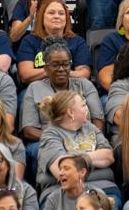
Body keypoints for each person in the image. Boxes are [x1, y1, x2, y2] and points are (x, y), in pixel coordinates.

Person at [20, 39, 103, 176]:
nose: (61, 69)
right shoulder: (34, 88)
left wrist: (90, 139)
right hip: (48, 140)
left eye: (65, 64)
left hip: (85, 138)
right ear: (46, 68)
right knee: (36, 149)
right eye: (55, 65)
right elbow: (28, 131)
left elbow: (98, 120)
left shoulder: (84, 85)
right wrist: (61, 139)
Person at [37, 92, 120, 205]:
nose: (86, 109)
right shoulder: (50, 135)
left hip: (104, 189)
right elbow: (63, 173)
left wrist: (74, 158)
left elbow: (108, 156)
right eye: (83, 105)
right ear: (71, 112)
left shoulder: (91, 128)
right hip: (64, 195)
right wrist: (94, 157)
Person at [16, 0, 91, 84]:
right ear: (42, 17)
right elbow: (25, 75)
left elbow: (84, 74)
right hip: (37, 87)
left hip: (69, 88)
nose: (56, 16)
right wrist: (57, 70)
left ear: (66, 18)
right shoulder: (29, 41)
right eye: (51, 13)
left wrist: (55, 71)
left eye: (61, 13)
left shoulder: (77, 41)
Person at [41, 153, 109, 210]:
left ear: (82, 172)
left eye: (66, 168)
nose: (60, 173)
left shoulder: (96, 195)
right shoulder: (53, 199)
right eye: (60, 169)